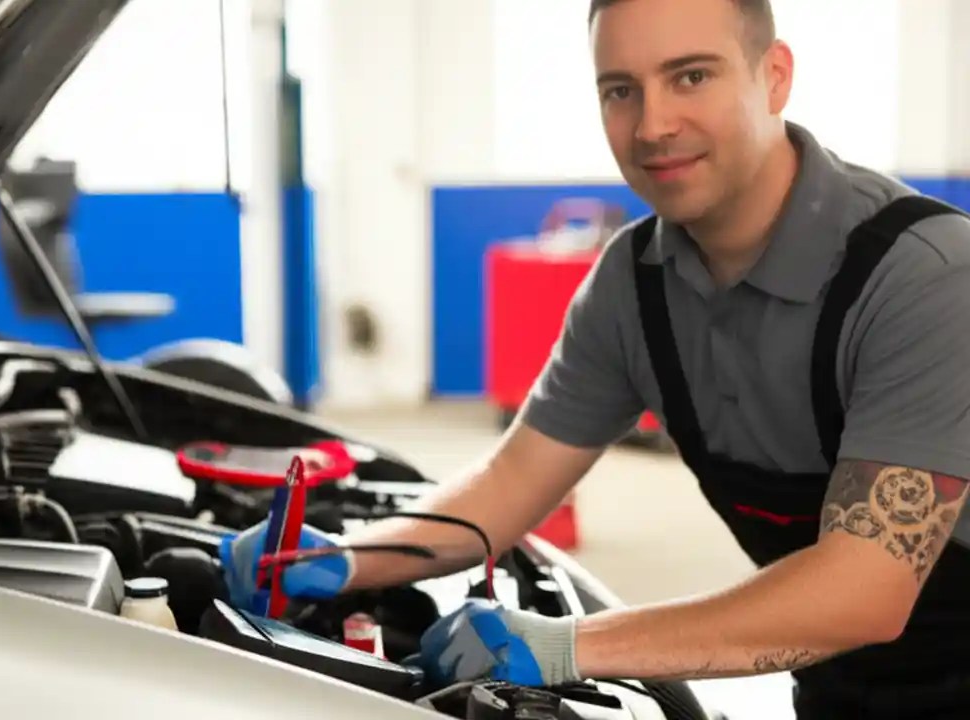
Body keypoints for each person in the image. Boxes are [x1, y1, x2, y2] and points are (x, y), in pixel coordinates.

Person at [219, 0, 970, 716]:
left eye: (691, 76)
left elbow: (862, 592)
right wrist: (349, 559)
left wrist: (566, 645)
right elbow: (511, 480)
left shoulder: (922, 277)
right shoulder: (633, 287)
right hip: (838, 692)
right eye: (620, 90)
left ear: (774, 75)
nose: (653, 125)